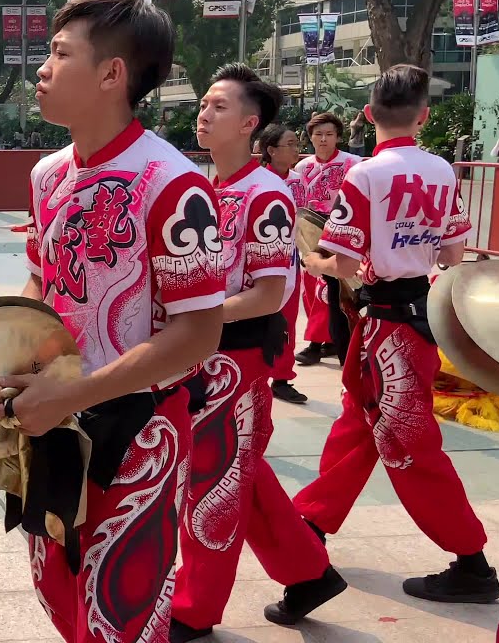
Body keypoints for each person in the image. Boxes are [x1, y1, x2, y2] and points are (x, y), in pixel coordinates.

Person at [0, 0, 225, 643]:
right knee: (58, 589)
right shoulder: (47, 176)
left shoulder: (174, 186)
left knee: (119, 612)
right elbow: (44, 282)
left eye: (60, 53)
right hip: (55, 421)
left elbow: (198, 333)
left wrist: (76, 390)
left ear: (111, 74)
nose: (42, 68)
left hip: (139, 430)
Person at [293, 64, 499, 604]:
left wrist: (315, 261)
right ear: (424, 116)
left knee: (409, 444)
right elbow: (452, 255)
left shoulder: (362, 176)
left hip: (386, 322)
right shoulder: (442, 171)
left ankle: (473, 562)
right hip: (418, 317)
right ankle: (309, 525)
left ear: (366, 116)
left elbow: (342, 260)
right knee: (358, 425)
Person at [169, 65, 344, 642]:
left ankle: (195, 610)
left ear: (250, 124)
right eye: (203, 104)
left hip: (237, 361)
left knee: (214, 482)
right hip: (204, 353)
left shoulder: (264, 193)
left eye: (219, 106)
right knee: (239, 471)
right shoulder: (207, 186)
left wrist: (198, 315)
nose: (204, 113)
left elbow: (269, 293)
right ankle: (309, 573)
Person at [293, 112, 360, 366]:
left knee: (331, 288)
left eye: (329, 134)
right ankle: (331, 340)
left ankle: (315, 343)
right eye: (318, 134)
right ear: (310, 137)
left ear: (339, 137)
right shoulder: (303, 167)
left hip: (342, 231)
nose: (323, 139)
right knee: (312, 288)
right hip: (310, 232)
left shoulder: (352, 163)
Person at [258, 124, 307, 404]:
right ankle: (256, 374)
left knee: (287, 320)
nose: (295, 149)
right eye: (289, 143)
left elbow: (305, 219)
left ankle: (282, 377)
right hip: (262, 260)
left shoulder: (300, 180)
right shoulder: (259, 179)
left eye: (295, 143)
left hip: (290, 259)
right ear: (271, 150)